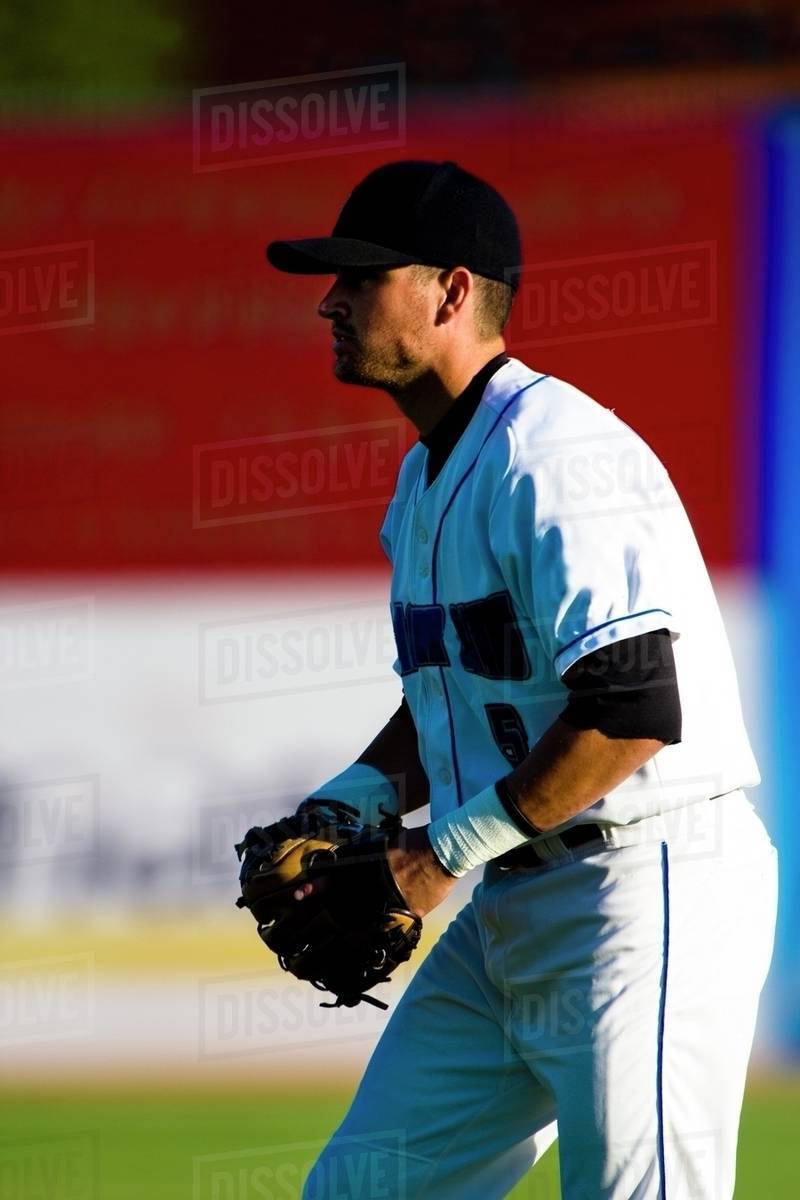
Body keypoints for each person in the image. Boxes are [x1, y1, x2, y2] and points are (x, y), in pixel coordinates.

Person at [265, 160, 777, 1199]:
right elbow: (448, 687)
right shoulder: (422, 479)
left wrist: (435, 857)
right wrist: (351, 799)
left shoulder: (557, 458)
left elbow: (634, 709)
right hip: (511, 898)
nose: (330, 299)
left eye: (360, 277)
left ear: (451, 293)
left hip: (641, 889)